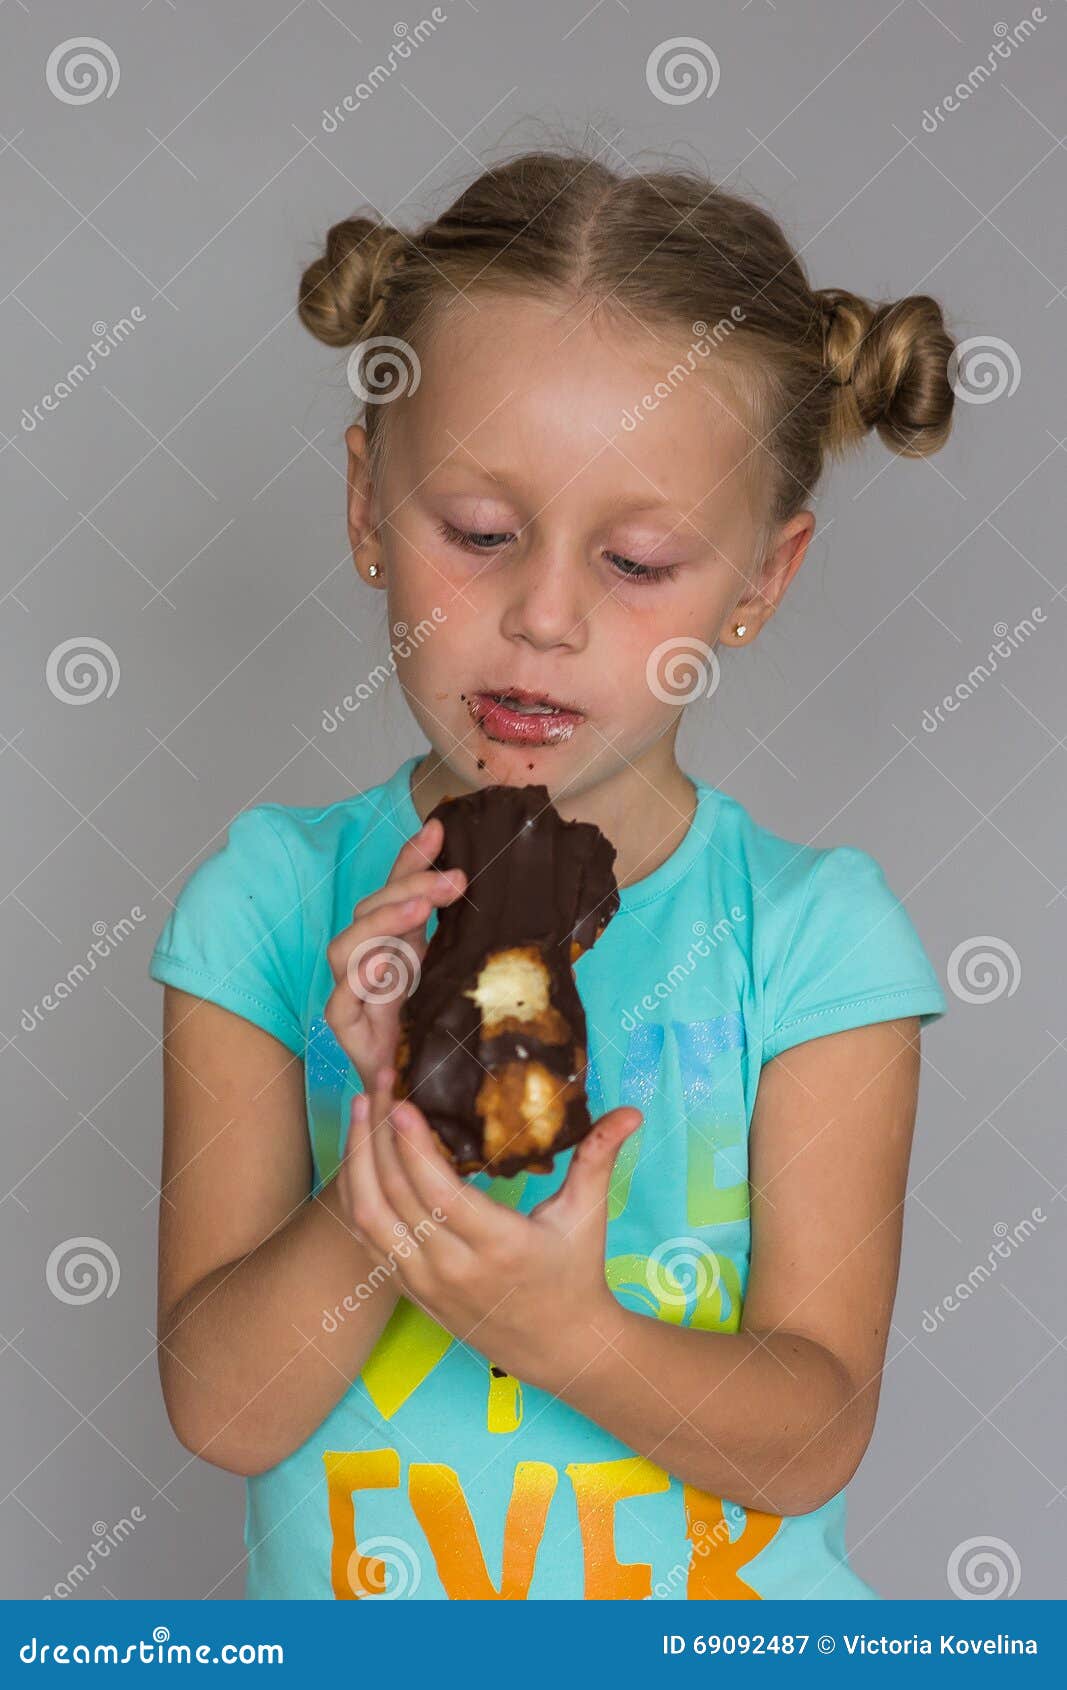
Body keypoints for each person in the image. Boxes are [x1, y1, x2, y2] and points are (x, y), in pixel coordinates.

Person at [148, 149, 955, 1600]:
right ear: (365, 505)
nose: (543, 615)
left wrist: (567, 1332)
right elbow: (225, 1409)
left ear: (761, 580)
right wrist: (397, 1143)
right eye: (477, 533)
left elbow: (813, 1432)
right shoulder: (266, 903)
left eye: (638, 560)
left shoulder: (817, 938)